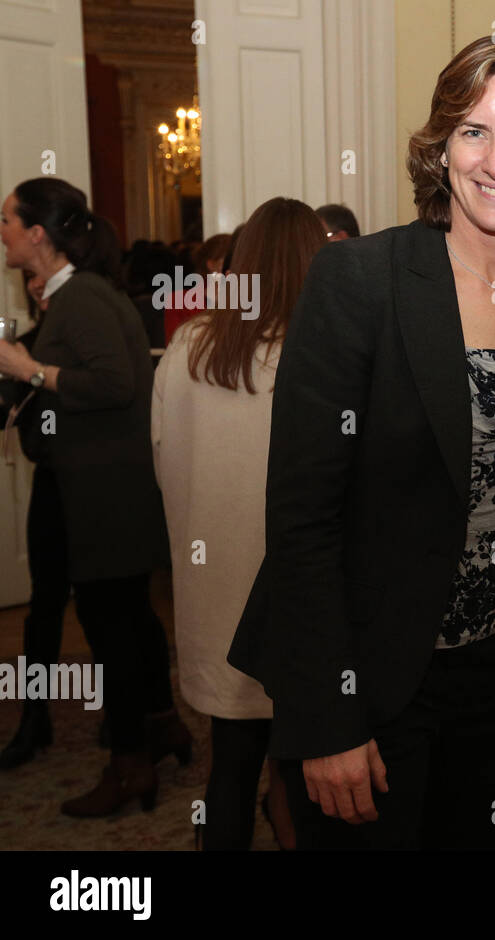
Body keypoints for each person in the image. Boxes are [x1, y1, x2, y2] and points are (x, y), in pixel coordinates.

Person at [228, 33, 495, 850]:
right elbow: (302, 518)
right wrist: (325, 718)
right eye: (475, 131)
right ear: (440, 148)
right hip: (375, 674)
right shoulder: (360, 280)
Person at [0, 178, 188, 816]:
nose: (1, 232)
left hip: (104, 496)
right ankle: (162, 726)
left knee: (112, 634)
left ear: (37, 233)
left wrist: (26, 369)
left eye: (7, 221)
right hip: (106, 490)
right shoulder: (74, 295)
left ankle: (131, 766)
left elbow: (114, 384)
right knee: (128, 621)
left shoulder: (80, 296)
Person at [153, 197, 325, 850]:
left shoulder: (191, 347)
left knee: (231, 764)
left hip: (216, 590)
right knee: (313, 775)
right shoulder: (328, 352)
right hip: (303, 605)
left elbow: (164, 463)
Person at [0, 271, 70, 771]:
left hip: (97, 484)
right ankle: (33, 716)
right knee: (44, 608)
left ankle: (134, 720)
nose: (36, 287)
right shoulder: (20, 344)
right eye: (30, 281)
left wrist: (34, 371)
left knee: (109, 608)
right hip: (50, 482)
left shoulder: (81, 336)